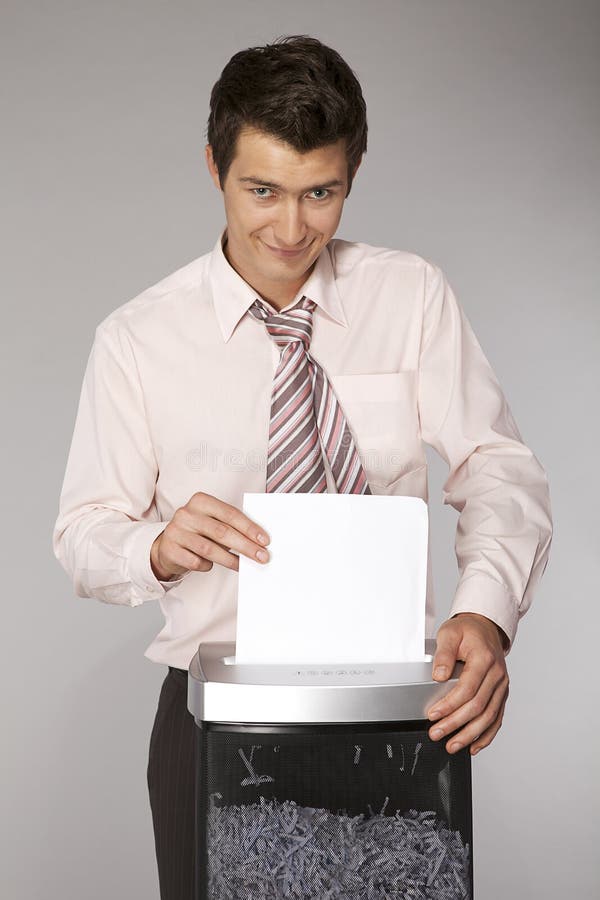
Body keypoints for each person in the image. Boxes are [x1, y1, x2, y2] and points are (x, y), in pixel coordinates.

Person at [52, 34, 553, 900]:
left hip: (398, 702)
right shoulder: (137, 339)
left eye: (321, 194)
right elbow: (82, 536)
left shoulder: (412, 296)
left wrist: (488, 616)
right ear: (214, 167)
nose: (291, 229)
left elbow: (498, 466)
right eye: (263, 191)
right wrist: (158, 548)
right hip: (215, 711)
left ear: (353, 175)